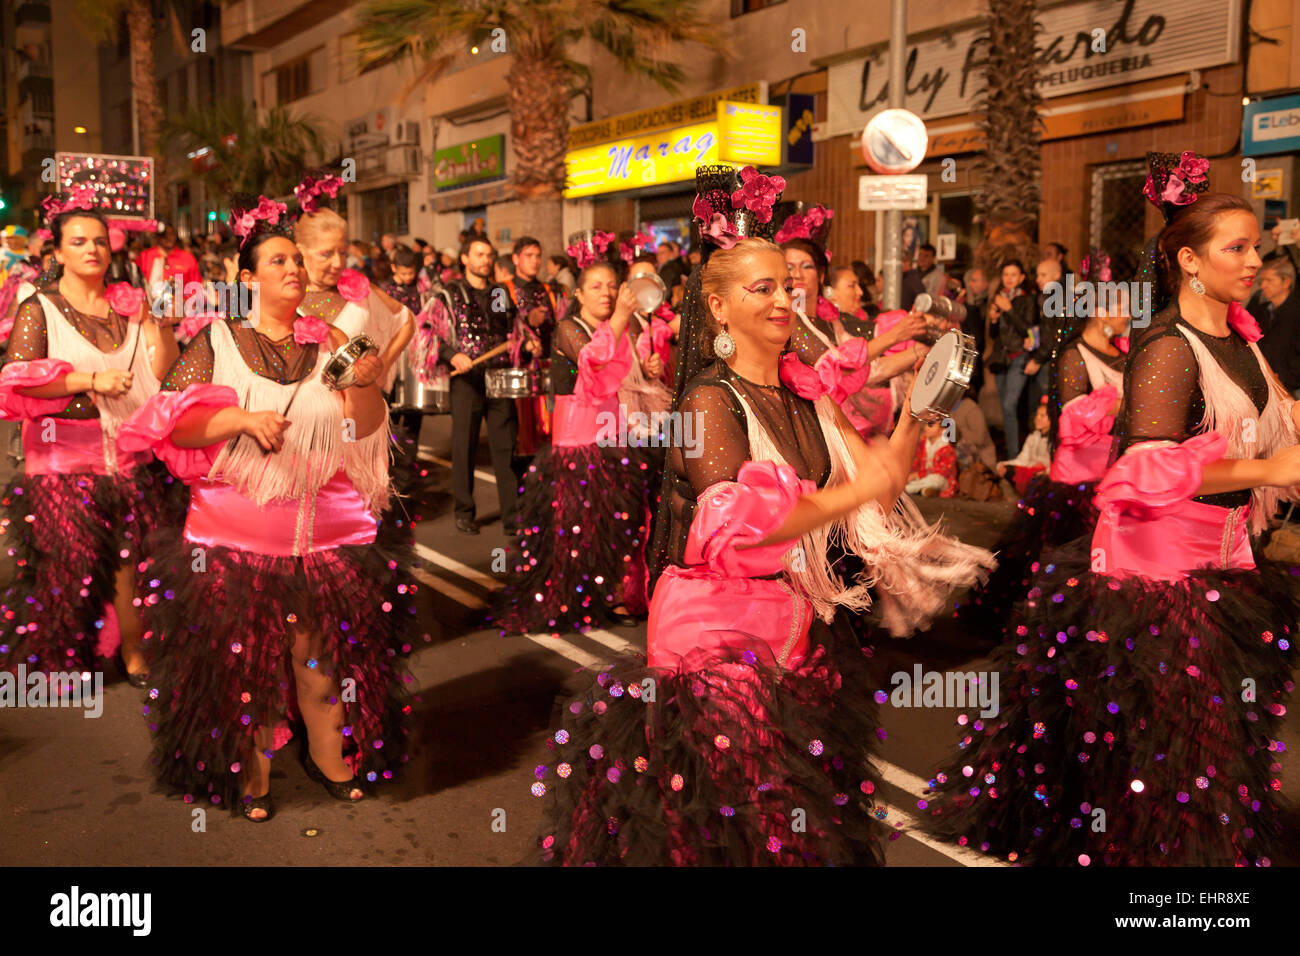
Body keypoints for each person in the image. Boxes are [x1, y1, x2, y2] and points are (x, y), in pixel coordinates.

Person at [535, 167, 993, 865]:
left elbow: (872, 485)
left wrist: (916, 416)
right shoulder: (707, 403)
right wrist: (854, 490)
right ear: (716, 308)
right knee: (741, 835)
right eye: (764, 288)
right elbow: (739, 530)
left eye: (789, 285)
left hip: (797, 637)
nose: (786, 298)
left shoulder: (804, 391)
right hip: (718, 648)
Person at [924, 152, 1300, 866]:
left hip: (1225, 563)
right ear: (1189, 260)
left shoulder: (1244, 339)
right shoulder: (1167, 349)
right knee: (1179, 761)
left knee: (1205, 751)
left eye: (1257, 245)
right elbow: (1144, 465)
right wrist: (1267, 469)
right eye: (1237, 247)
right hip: (1158, 576)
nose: (1255, 259)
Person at [120, 197, 414, 822]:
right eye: (277, 261)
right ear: (247, 278)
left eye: (296, 261)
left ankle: (328, 755)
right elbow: (174, 422)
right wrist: (240, 419)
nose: (294, 271)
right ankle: (250, 770)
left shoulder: (334, 338)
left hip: (323, 534)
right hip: (235, 536)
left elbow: (363, 431)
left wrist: (363, 381)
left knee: (319, 660)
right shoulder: (218, 339)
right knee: (245, 667)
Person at [0, 203, 180, 685]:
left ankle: (133, 650)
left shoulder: (130, 305)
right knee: (70, 563)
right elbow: (17, 381)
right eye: (78, 241)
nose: (92, 249)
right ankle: (61, 655)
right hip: (62, 457)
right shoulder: (38, 306)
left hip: (128, 454)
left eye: (99, 240)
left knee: (130, 558)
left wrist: (162, 327)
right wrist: (89, 379)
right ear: (57, 251)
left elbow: (162, 373)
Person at [494, 253, 654, 635]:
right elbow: (593, 361)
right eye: (597, 286)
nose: (607, 292)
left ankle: (607, 593)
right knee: (576, 529)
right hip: (578, 441)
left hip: (611, 436)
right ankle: (570, 599)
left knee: (611, 524)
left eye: (612, 286)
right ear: (578, 293)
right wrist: (619, 320)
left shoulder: (614, 326)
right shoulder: (570, 327)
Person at [441, 235, 538, 534]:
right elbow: (434, 334)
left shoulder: (499, 292)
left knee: (505, 448)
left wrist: (525, 345)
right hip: (467, 380)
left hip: (498, 376)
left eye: (489, 255)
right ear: (465, 259)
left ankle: (512, 517)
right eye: (479, 254)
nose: (485, 259)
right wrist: (452, 355)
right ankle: (465, 512)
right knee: (464, 447)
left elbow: (508, 331)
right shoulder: (450, 293)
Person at [985, 259, 1037, 455]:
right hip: (1001, 360)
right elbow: (993, 336)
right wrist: (994, 320)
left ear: (1022, 277)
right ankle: (1011, 452)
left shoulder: (1027, 299)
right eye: (1006, 274)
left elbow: (1030, 331)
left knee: (1010, 405)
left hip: (1019, 357)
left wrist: (1009, 310)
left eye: (1013, 274)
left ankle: (1015, 454)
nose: (1009, 279)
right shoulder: (998, 298)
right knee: (1005, 409)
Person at [1250, 256, 1300, 394]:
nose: (1262, 285)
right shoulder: (1262, 310)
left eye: (1269, 280)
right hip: (1265, 384)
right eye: (1262, 280)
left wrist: (1285, 378)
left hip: (1292, 388)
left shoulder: (1296, 312)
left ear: (1286, 282)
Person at [1025, 256, 1063, 411]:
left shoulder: (1056, 298)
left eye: (1043, 275)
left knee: (1047, 404)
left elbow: (1053, 334)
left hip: (1052, 359)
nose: (1038, 279)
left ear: (1056, 276)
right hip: (1048, 356)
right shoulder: (1044, 296)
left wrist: (1037, 359)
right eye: (1038, 275)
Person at [139, 224, 200, 295]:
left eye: (171, 234)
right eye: (165, 235)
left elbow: (196, 286)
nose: (168, 237)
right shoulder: (145, 256)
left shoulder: (187, 258)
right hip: (152, 302)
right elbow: (138, 284)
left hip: (181, 303)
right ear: (158, 236)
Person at [906, 420, 957, 497]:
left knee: (936, 480)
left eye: (931, 425)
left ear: (943, 430)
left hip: (938, 478)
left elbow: (943, 470)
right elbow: (916, 463)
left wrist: (918, 474)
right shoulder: (923, 444)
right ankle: (924, 490)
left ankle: (909, 488)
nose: (926, 428)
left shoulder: (946, 449)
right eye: (926, 425)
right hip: (921, 477)